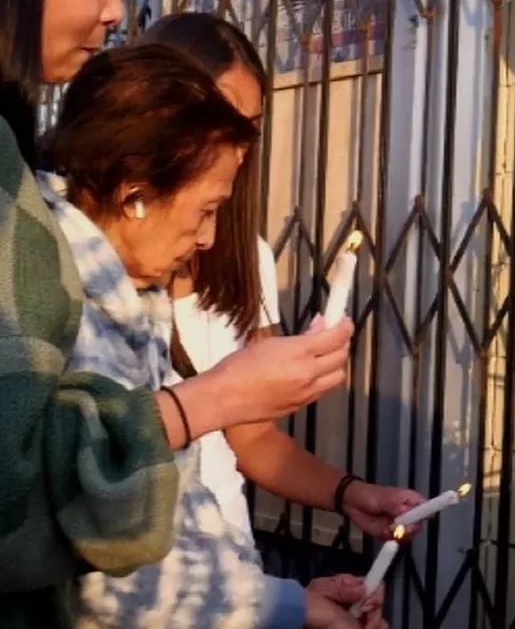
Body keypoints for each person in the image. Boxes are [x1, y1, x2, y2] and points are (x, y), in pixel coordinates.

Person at [0, 0, 351, 624]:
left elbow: (226, 461)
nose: (119, 10)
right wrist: (208, 400)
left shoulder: (137, 273)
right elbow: (62, 530)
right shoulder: (62, 271)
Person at [41, 44, 384, 629]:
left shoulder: (130, 297)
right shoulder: (63, 302)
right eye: (204, 209)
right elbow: (106, 568)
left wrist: (277, 598)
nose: (206, 238)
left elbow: (181, 502)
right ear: (137, 193)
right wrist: (285, 607)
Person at [138, 12, 425, 543]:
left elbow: (251, 440)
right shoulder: (88, 263)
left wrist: (350, 494)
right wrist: (224, 391)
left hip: (229, 568)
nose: (235, 149)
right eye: (220, 117)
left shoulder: (247, 258)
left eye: (248, 129)